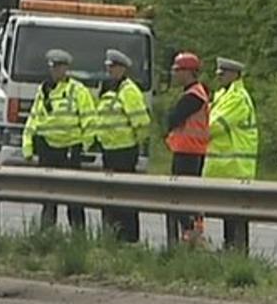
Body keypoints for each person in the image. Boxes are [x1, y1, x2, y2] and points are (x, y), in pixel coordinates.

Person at [22, 49, 95, 230]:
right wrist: (28, 146)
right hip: (48, 148)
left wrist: (84, 145)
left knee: (73, 197)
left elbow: (89, 118)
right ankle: (47, 234)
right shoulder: (44, 90)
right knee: (48, 196)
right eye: (53, 67)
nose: (56, 71)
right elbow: (34, 118)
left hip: (70, 148)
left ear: (66, 68)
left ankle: (78, 234)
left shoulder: (77, 90)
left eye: (59, 67)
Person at [92, 49, 151, 242]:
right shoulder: (109, 89)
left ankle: (129, 237)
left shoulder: (129, 91)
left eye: (113, 67)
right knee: (110, 196)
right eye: (108, 67)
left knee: (125, 196)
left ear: (123, 69)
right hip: (109, 150)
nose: (109, 71)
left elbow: (141, 123)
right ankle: (112, 235)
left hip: (125, 151)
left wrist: (136, 145)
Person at [203, 57, 258, 250]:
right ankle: (232, 252)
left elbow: (213, 126)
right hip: (226, 168)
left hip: (236, 167)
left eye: (223, 74)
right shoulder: (223, 96)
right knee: (229, 216)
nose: (220, 77)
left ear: (235, 75)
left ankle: (237, 254)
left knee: (235, 219)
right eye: (218, 74)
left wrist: (194, 135)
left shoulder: (237, 98)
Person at [165, 52, 210, 242]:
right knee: (186, 196)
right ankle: (191, 232)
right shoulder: (195, 93)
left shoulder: (193, 96)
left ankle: (191, 233)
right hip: (190, 150)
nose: (174, 74)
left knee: (183, 196)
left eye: (177, 70)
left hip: (188, 152)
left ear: (188, 72)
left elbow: (172, 119)